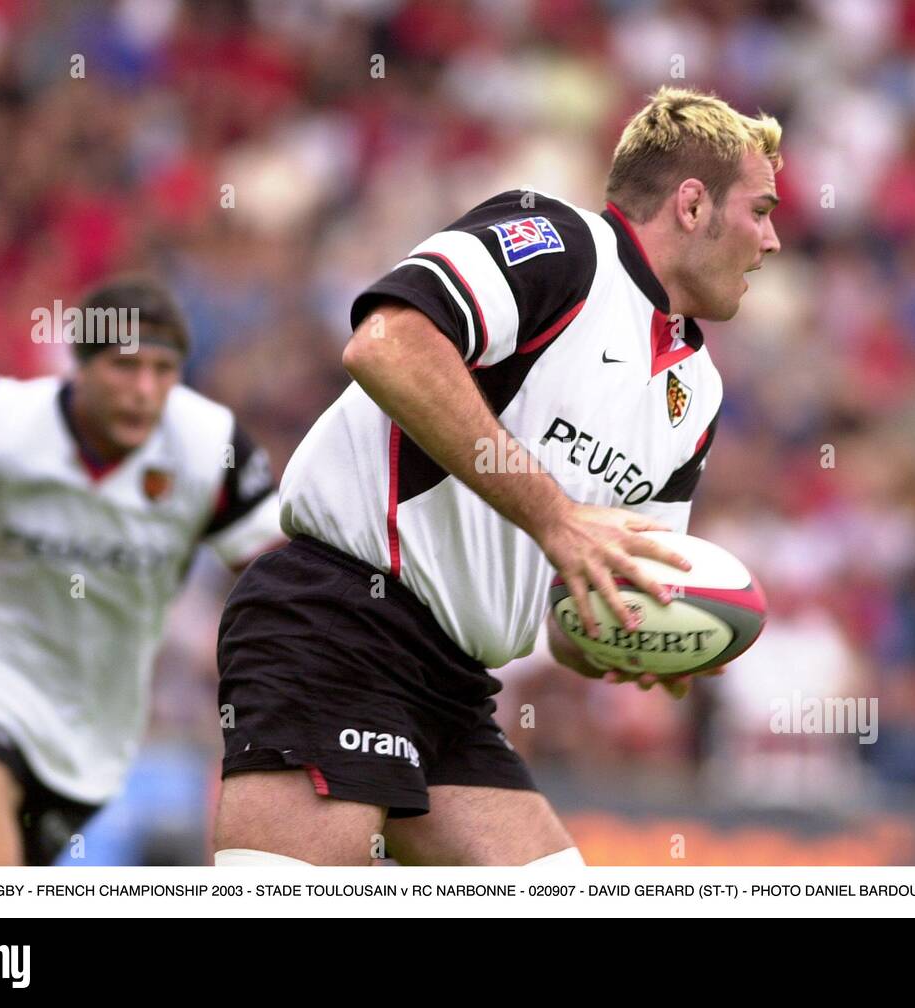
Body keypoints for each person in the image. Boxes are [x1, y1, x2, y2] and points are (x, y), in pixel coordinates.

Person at [213, 86, 782, 867]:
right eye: (760, 209)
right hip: (336, 620)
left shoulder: (698, 393)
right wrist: (555, 517)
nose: (773, 239)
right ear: (691, 204)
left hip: (454, 681)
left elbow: (579, 592)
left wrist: (628, 637)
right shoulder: (560, 243)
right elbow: (385, 343)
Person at [0, 277, 284, 865]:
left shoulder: (210, 449)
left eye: (163, 369)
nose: (145, 391)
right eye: (125, 366)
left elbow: (283, 578)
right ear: (79, 364)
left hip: (95, 732)